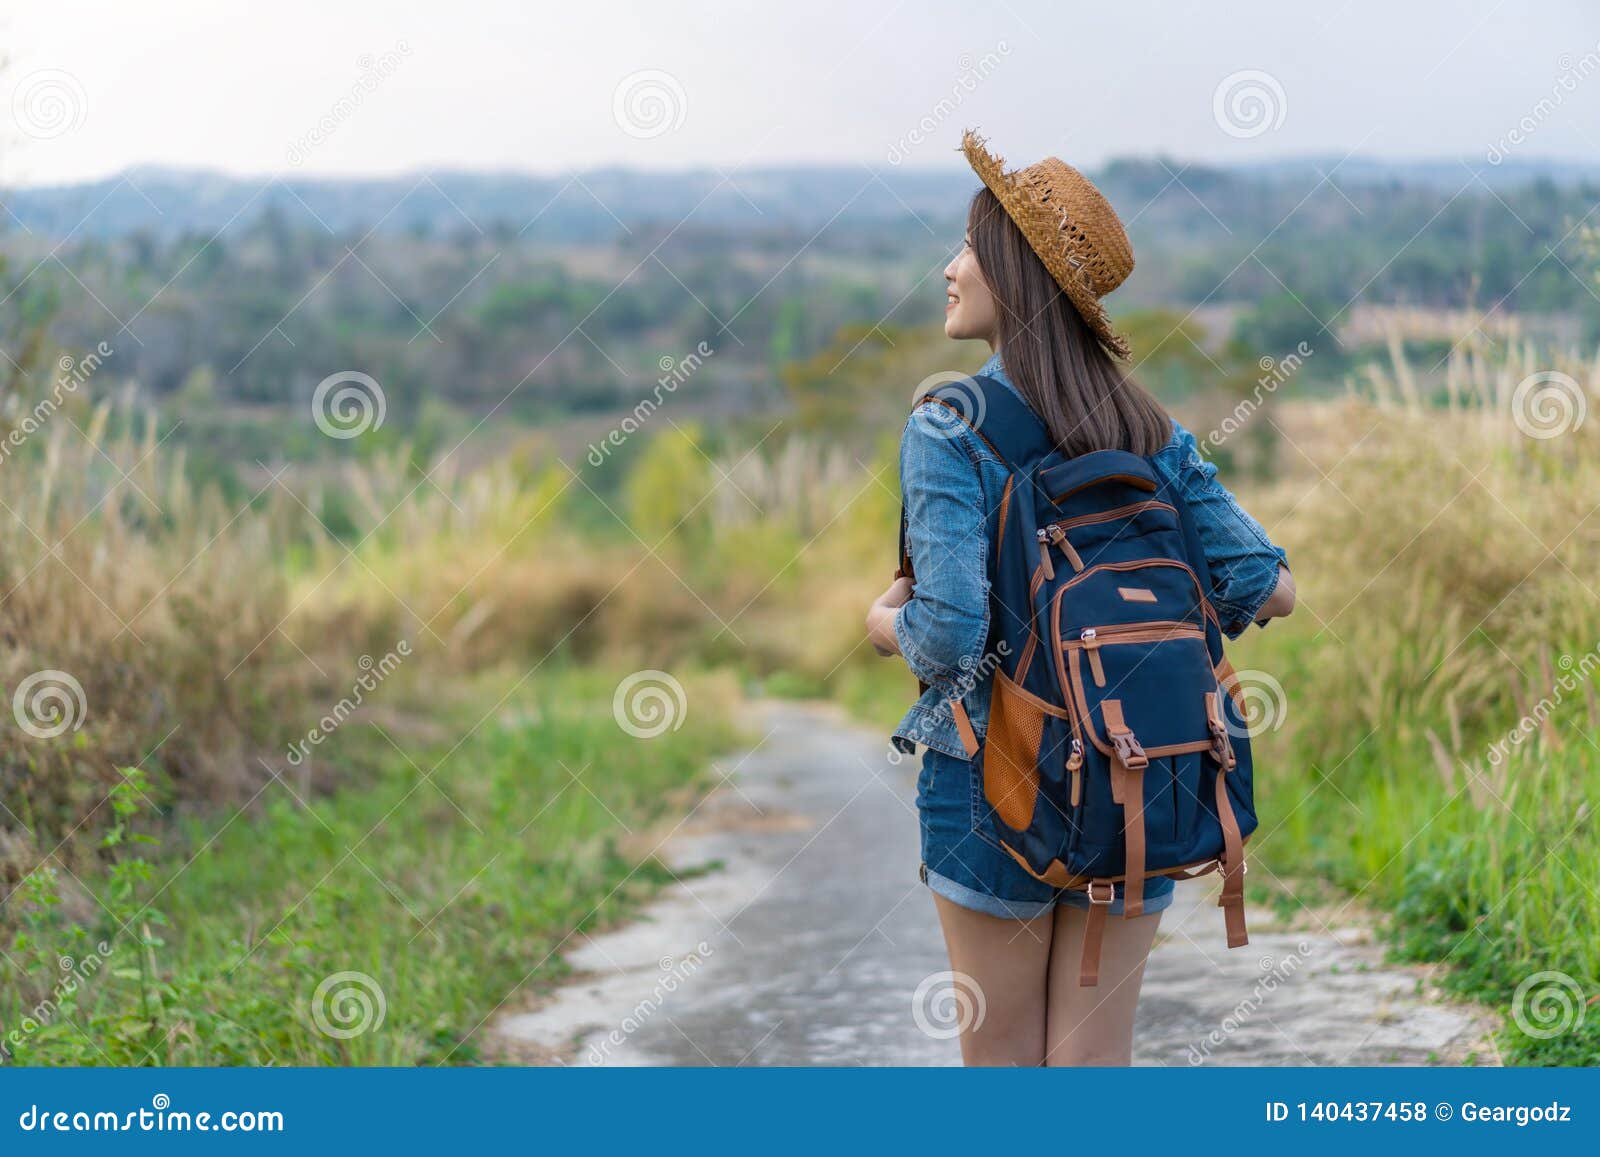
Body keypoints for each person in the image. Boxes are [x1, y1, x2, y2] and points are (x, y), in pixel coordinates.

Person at [865, 131, 1295, 1067]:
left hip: (994, 777)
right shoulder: (1150, 430)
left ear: (1012, 274)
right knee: (1095, 1075)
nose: (950, 268)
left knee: (1006, 1076)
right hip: (1139, 768)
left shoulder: (949, 425)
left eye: (969, 248)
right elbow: (1274, 586)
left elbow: (949, 639)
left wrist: (882, 622)